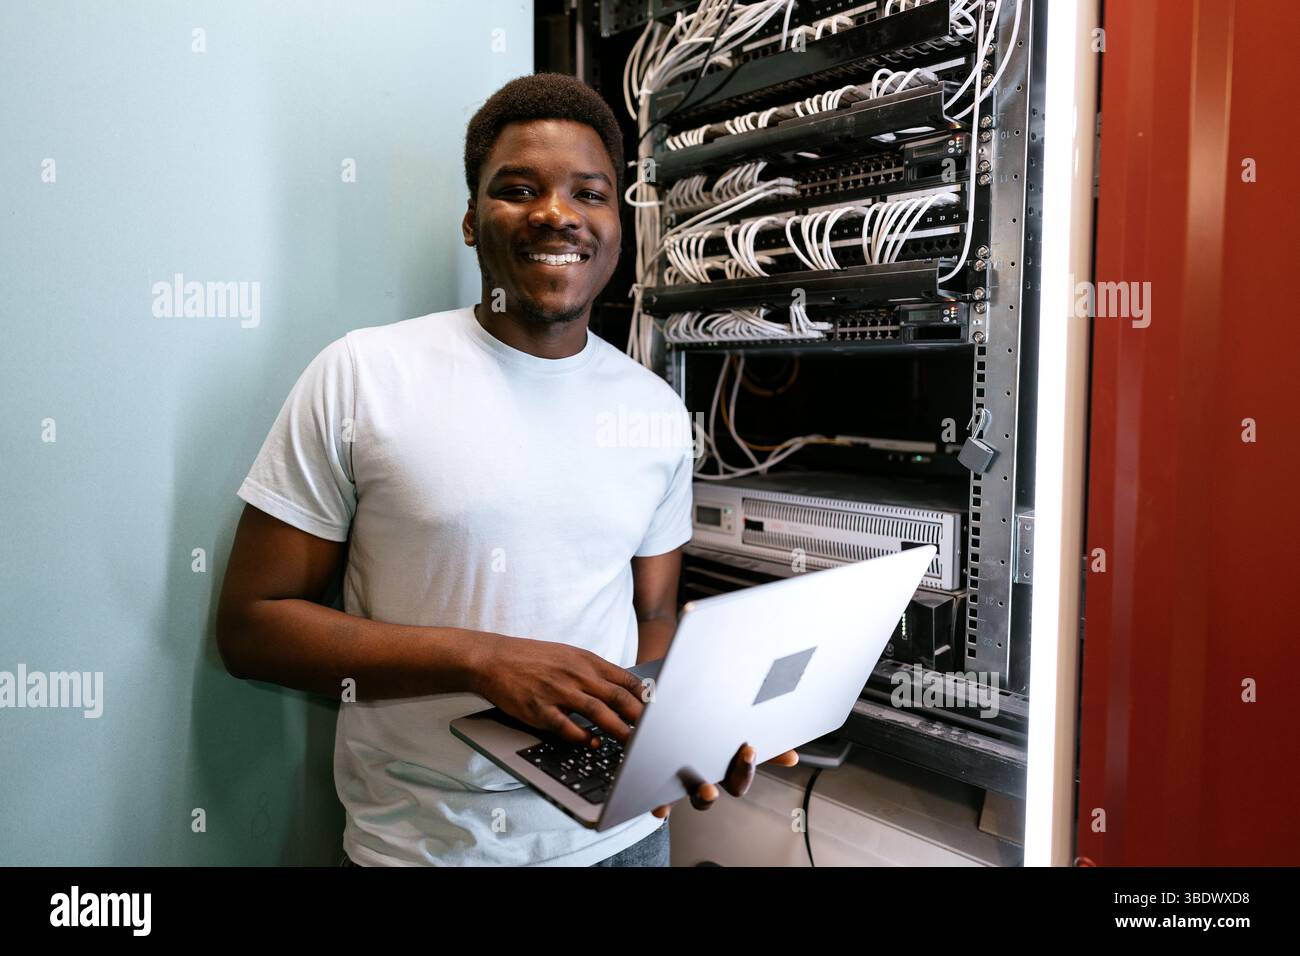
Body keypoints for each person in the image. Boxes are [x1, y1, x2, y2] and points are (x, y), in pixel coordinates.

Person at [216, 72, 797, 867]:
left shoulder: (654, 410)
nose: (557, 212)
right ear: (469, 220)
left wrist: (683, 728)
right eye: (519, 189)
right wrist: (480, 661)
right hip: (426, 847)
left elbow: (653, 615)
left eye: (588, 194)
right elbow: (254, 627)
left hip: (623, 839)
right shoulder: (364, 374)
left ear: (617, 226)